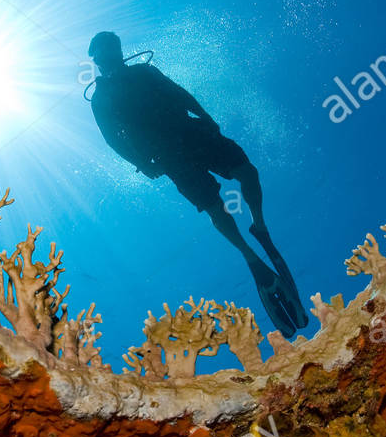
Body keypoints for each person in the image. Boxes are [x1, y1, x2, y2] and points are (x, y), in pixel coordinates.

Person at [87, 31, 306, 335]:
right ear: (95, 59)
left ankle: (259, 226)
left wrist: (204, 115)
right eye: (103, 51)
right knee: (215, 207)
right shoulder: (100, 99)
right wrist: (142, 164)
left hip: (192, 133)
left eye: (113, 47)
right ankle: (249, 254)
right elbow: (113, 139)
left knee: (246, 171)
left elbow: (178, 92)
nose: (110, 54)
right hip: (169, 158)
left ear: (120, 49)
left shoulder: (144, 71)